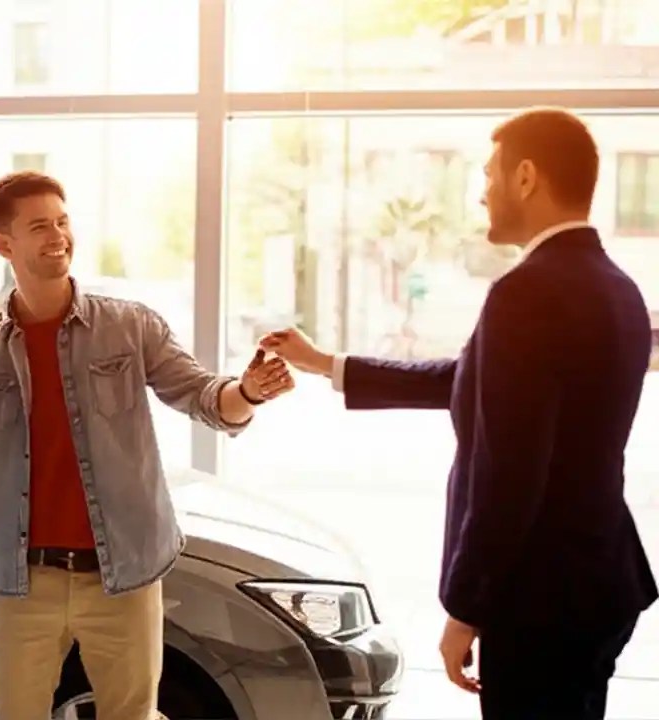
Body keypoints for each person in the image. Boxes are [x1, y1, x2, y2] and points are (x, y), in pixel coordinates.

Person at [262, 107, 657, 720]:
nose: (482, 193)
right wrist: (327, 364)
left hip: (538, 598)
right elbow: (473, 382)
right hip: (599, 582)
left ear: (525, 177)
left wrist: (467, 608)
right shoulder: (619, 287)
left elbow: (510, 474)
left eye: (490, 175)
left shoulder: (526, 293)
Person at [0, 171, 295, 720]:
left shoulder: (128, 326)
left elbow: (205, 398)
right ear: (4, 245)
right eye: (39, 226)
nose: (58, 235)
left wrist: (249, 391)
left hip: (122, 575)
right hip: (25, 582)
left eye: (62, 221)